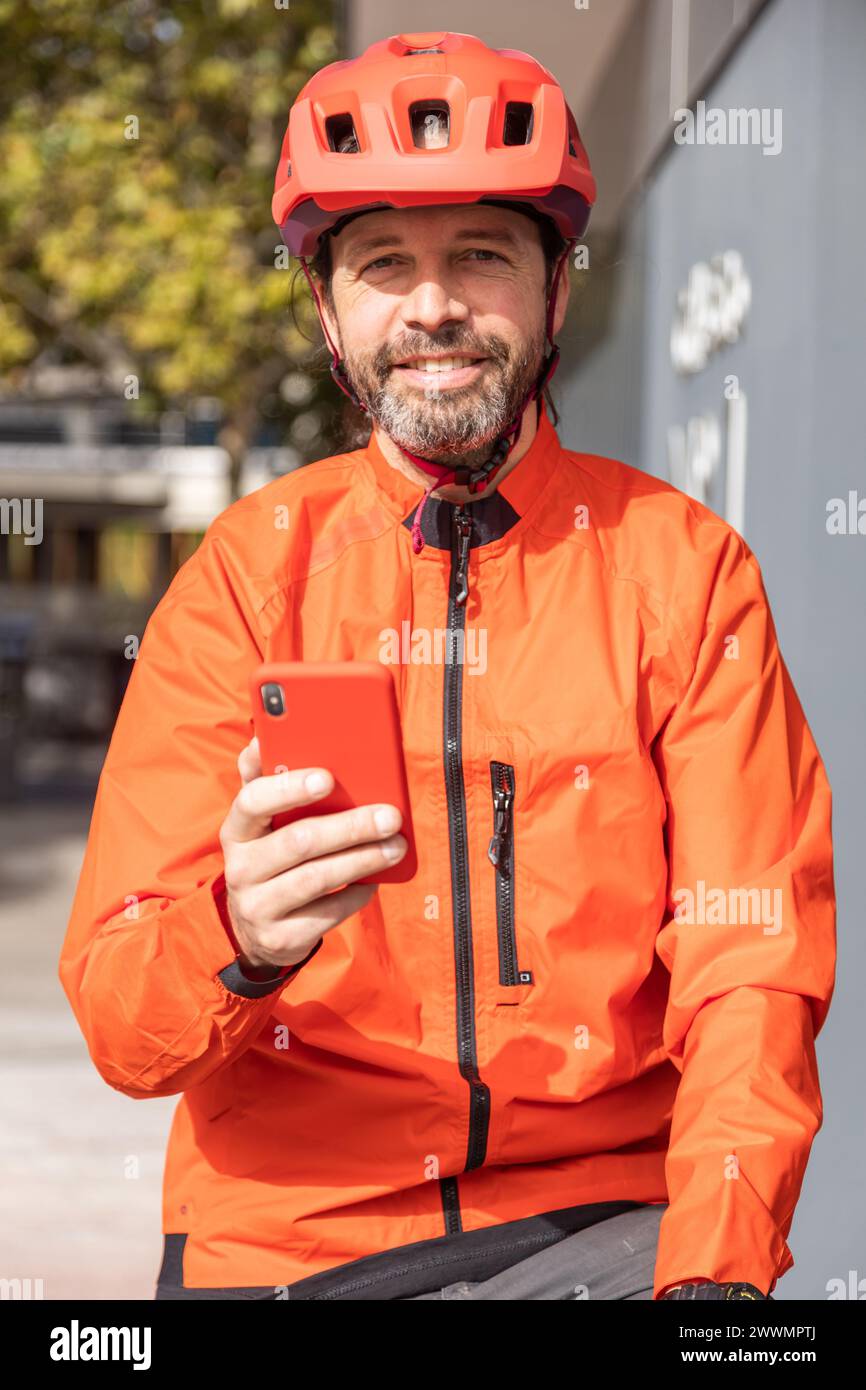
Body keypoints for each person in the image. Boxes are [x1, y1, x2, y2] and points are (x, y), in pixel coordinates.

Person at [58, 30, 836, 1302]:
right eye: (382, 266)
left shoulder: (685, 572)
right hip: (289, 1245)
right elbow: (118, 1024)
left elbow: (750, 969)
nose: (432, 306)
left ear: (554, 291)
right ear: (326, 307)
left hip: (598, 1225)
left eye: (479, 255)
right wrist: (236, 936)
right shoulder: (247, 578)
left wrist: (714, 1279)